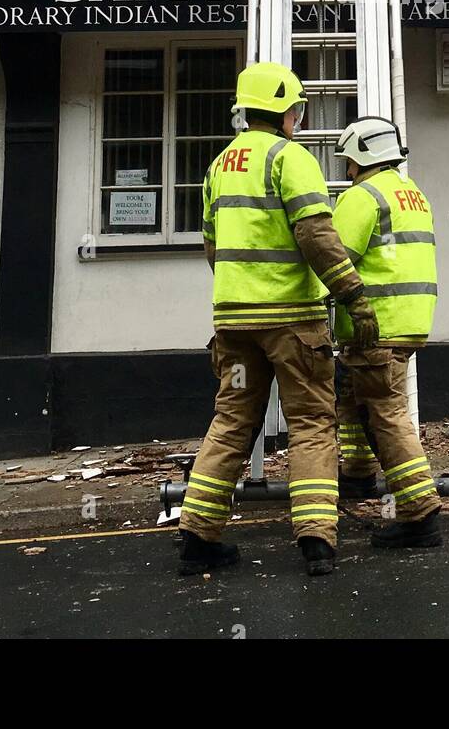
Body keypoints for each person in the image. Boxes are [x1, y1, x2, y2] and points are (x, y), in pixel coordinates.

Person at [180, 62, 380, 578]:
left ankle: (197, 537)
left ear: (246, 110)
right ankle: (317, 540)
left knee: (231, 423)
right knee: (312, 424)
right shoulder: (291, 159)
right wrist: (354, 297)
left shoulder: (219, 164)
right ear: (289, 114)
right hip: (293, 320)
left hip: (233, 320)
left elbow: (211, 246)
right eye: (297, 111)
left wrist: (238, 298)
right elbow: (317, 236)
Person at [331, 116, 442, 549]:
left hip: (374, 324)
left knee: (385, 414)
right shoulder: (411, 193)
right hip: (409, 323)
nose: (346, 170)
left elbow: (334, 260)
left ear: (361, 155)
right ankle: (357, 475)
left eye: (348, 162)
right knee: (354, 397)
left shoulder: (363, 197)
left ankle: (420, 513)